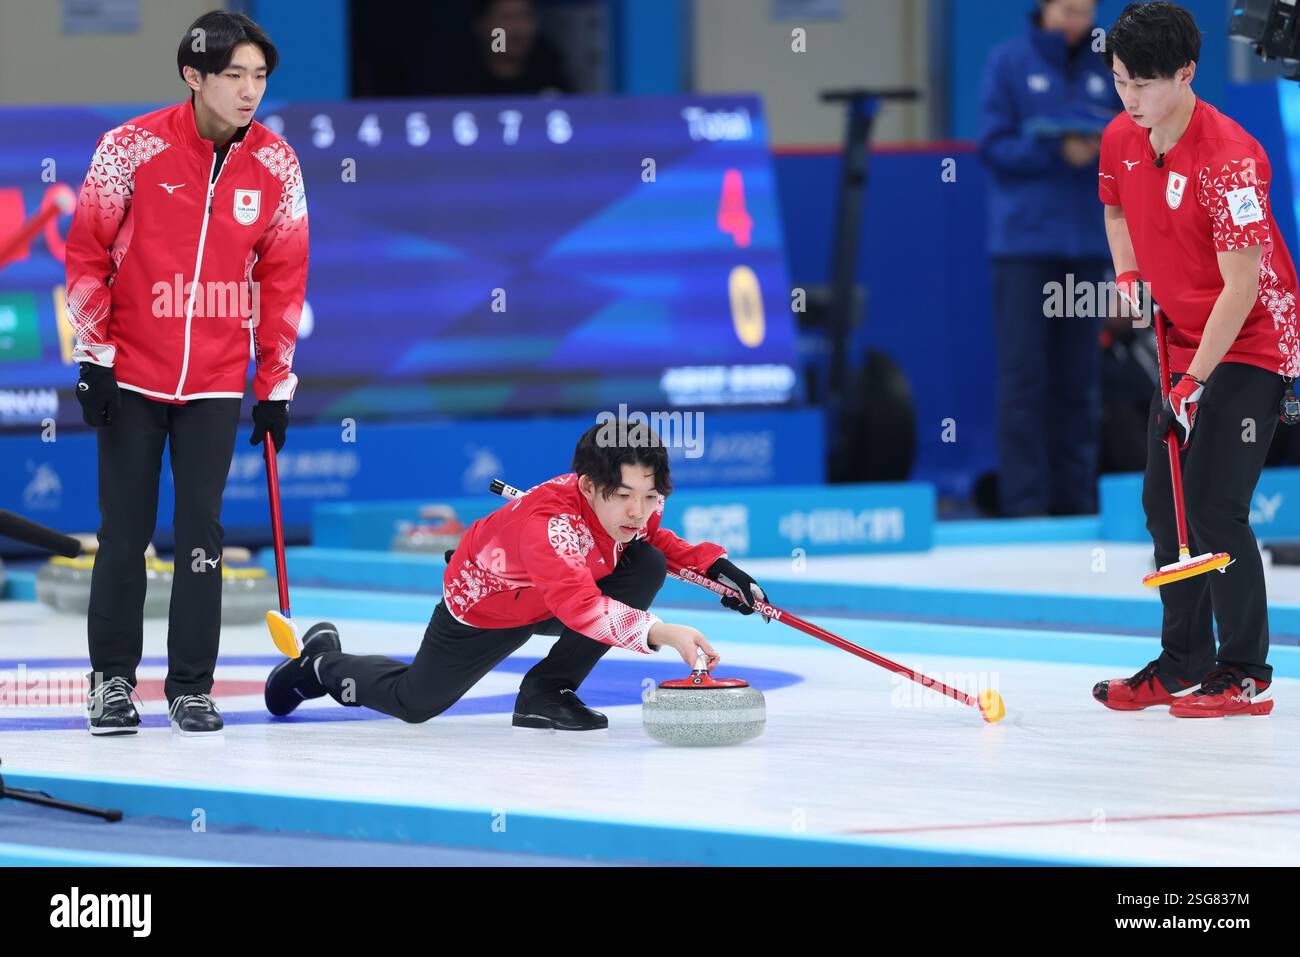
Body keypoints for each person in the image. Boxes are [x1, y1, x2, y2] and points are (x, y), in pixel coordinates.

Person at [65, 10, 309, 736]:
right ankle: (111, 682)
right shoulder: (128, 147)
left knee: (202, 530)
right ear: (193, 76)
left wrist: (275, 385)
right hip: (131, 375)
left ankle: (191, 687)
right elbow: (85, 254)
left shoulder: (277, 166)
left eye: (259, 76)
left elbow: (285, 279)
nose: (248, 91)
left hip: (214, 380)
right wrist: (94, 360)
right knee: (125, 531)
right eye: (233, 75)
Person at [264, 421, 769, 731]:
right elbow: (581, 608)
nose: (639, 510)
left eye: (651, 495)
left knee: (648, 563)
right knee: (415, 703)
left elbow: (654, 540)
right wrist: (664, 631)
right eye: (624, 497)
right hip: (488, 608)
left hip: (552, 597)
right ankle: (321, 664)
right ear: (589, 486)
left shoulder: (629, 507)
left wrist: (719, 572)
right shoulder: (549, 524)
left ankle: (546, 693)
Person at [1091, 2, 1297, 718]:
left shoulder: (1230, 160)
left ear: (1187, 73)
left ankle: (1244, 670)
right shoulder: (1121, 135)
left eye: (1144, 84)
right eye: (1120, 80)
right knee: (1163, 506)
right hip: (1184, 339)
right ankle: (1183, 660)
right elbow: (1116, 207)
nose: (1130, 98)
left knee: (1213, 507)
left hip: (1252, 342)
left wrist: (1194, 380)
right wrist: (1127, 274)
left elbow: (1243, 288)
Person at [977, 0, 1122, 517]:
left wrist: (1098, 148)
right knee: (1023, 380)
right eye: (1067, 9)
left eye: (1085, 11)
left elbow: (1134, 139)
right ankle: (1025, 510)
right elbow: (992, 146)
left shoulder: (1109, 62)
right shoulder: (1008, 62)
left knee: (1080, 380)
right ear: (1042, 7)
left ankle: (1075, 505)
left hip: (1087, 251)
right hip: (1024, 252)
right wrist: (1056, 153)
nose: (1076, 21)